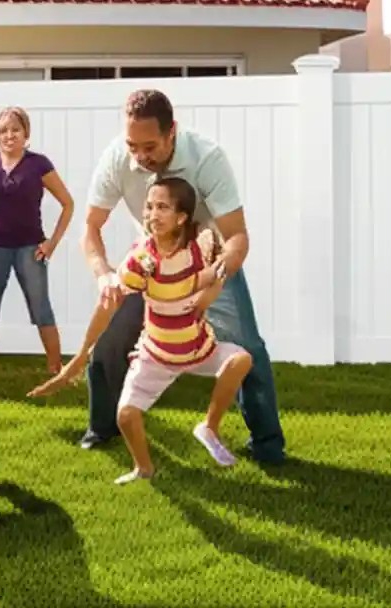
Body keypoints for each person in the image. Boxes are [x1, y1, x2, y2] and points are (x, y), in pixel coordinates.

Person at [76, 89, 286, 465]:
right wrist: (104, 274)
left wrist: (213, 278)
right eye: (132, 146)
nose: (140, 156)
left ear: (171, 131)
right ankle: (102, 428)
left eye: (150, 146)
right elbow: (91, 226)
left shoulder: (207, 159)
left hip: (209, 261)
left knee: (246, 348)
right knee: (110, 339)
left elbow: (237, 236)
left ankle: (267, 444)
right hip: (153, 264)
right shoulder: (117, 159)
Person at [30, 178, 253, 485]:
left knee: (241, 360)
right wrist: (80, 356)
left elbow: (217, 273)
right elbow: (108, 305)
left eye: (162, 207)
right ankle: (144, 468)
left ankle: (209, 428)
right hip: (157, 355)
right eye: (149, 207)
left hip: (198, 348)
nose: (151, 214)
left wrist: (206, 297)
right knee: (125, 415)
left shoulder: (197, 247)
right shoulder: (141, 260)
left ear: (181, 217)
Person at [0, 107, 74, 379]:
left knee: (41, 308)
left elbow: (67, 203)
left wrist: (51, 243)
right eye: (3, 130)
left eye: (16, 129)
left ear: (26, 133)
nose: (9, 135)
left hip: (30, 248)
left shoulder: (39, 164)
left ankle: (56, 370)